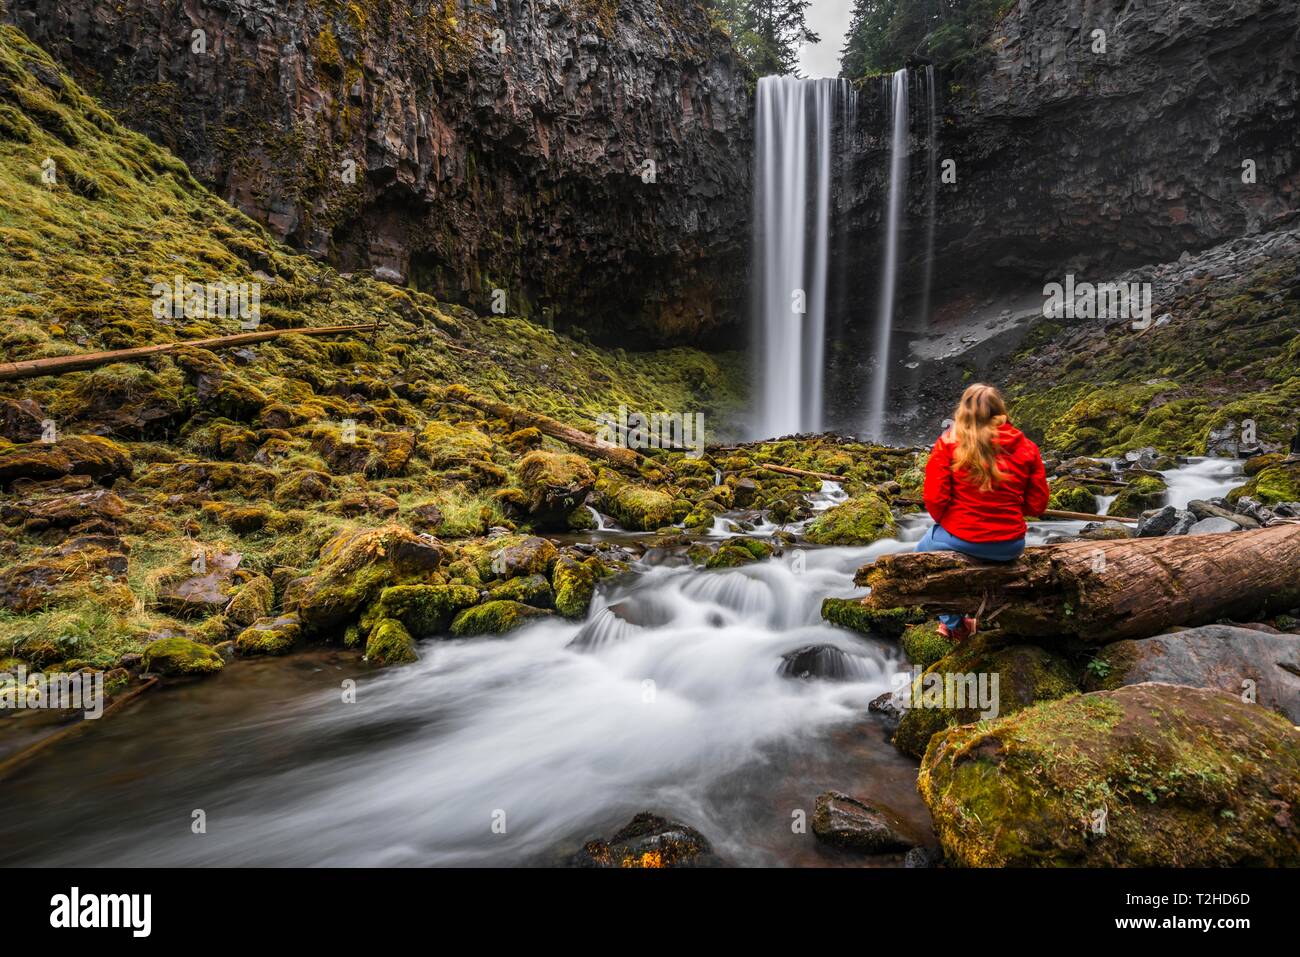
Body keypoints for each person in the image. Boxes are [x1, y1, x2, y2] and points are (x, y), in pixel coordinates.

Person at [914, 383, 1050, 642]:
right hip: (1010, 545)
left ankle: (955, 625)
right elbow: (1037, 506)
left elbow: (934, 498)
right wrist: (1005, 509)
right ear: (1001, 410)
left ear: (962, 412)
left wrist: (949, 523)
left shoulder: (949, 444)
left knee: (920, 557)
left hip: (962, 536)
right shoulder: (1027, 447)